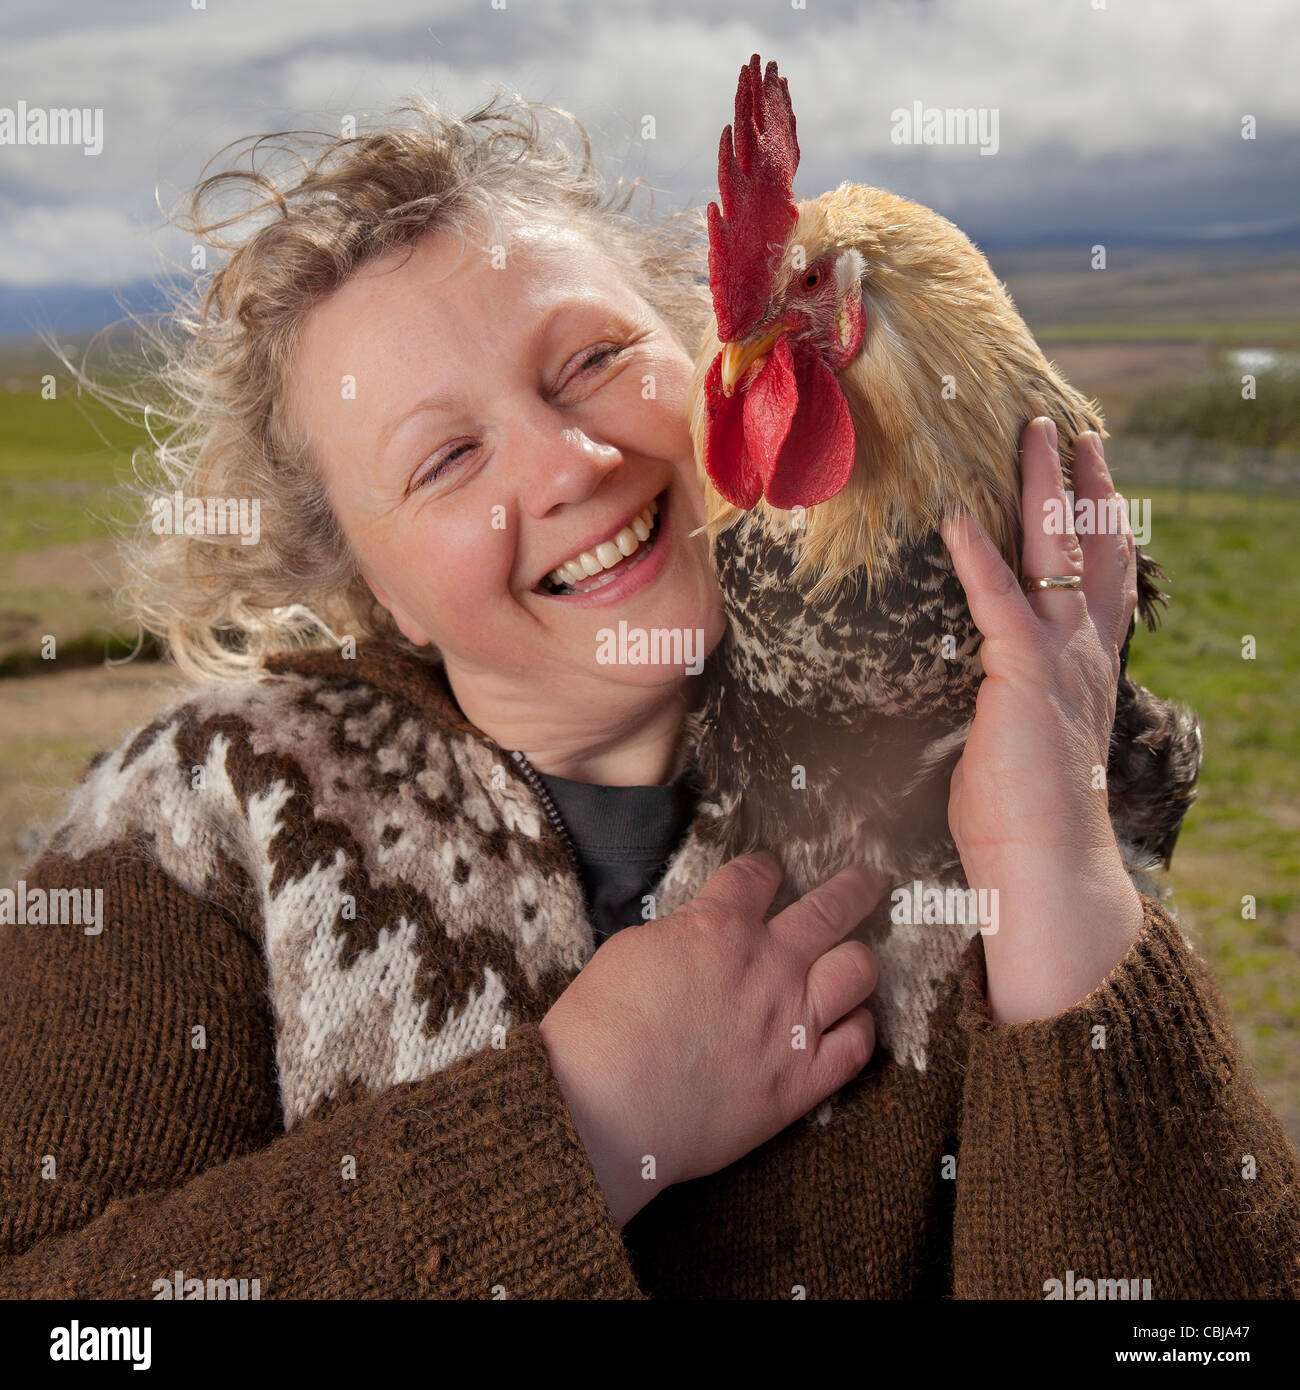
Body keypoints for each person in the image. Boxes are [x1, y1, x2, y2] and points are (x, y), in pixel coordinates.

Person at [0, 92, 1295, 1301]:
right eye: (447, 457)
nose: (572, 461)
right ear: (369, 583)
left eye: (595, 358)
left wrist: (1053, 865)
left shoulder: (950, 810)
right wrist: (582, 1118)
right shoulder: (197, 820)